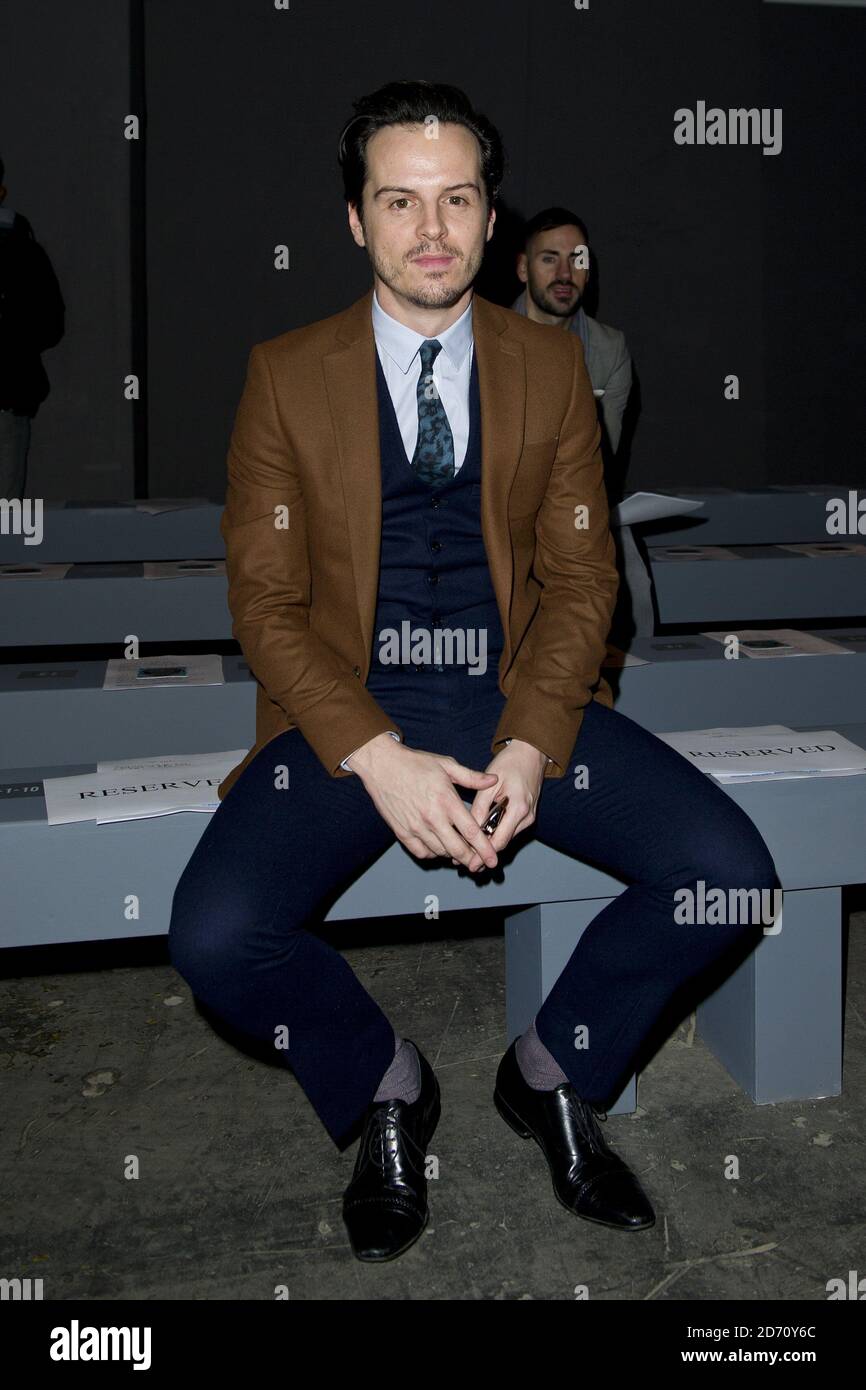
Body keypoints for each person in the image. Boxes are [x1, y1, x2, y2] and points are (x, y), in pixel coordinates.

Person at [168, 80, 778, 1264]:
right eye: (399, 201)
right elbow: (265, 604)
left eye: (455, 200)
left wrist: (527, 740)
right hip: (352, 708)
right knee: (212, 936)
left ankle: (552, 1070)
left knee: (729, 874)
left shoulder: (547, 369)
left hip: (510, 695)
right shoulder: (285, 374)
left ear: (489, 217)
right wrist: (375, 756)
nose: (430, 229)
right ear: (356, 219)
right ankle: (384, 1086)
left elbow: (582, 580)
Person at [511, 207, 632, 457]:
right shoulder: (479, 340)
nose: (565, 274)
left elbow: (600, 462)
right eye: (549, 259)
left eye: (577, 259)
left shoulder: (610, 350)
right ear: (523, 268)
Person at [0, 155, 65, 500]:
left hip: (7, 399)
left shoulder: (22, 252)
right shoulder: (23, 250)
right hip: (9, 397)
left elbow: (49, 325)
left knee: (3, 518)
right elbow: (50, 326)